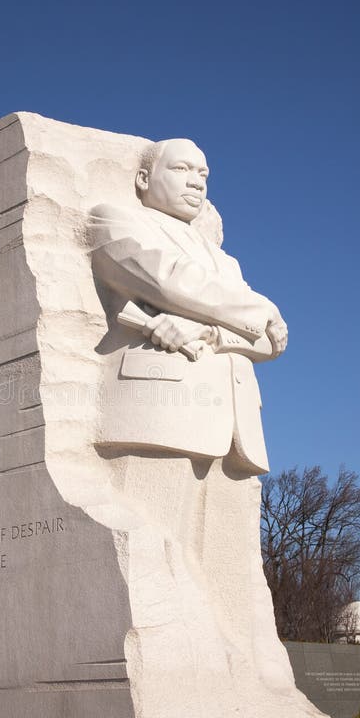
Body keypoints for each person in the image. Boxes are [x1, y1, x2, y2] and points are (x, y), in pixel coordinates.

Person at [88, 138, 287, 475]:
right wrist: (264, 307)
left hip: (237, 429)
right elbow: (170, 281)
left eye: (203, 174)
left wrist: (209, 331)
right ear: (143, 179)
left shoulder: (227, 263)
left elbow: (272, 342)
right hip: (158, 413)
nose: (197, 181)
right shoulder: (113, 220)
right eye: (182, 169)